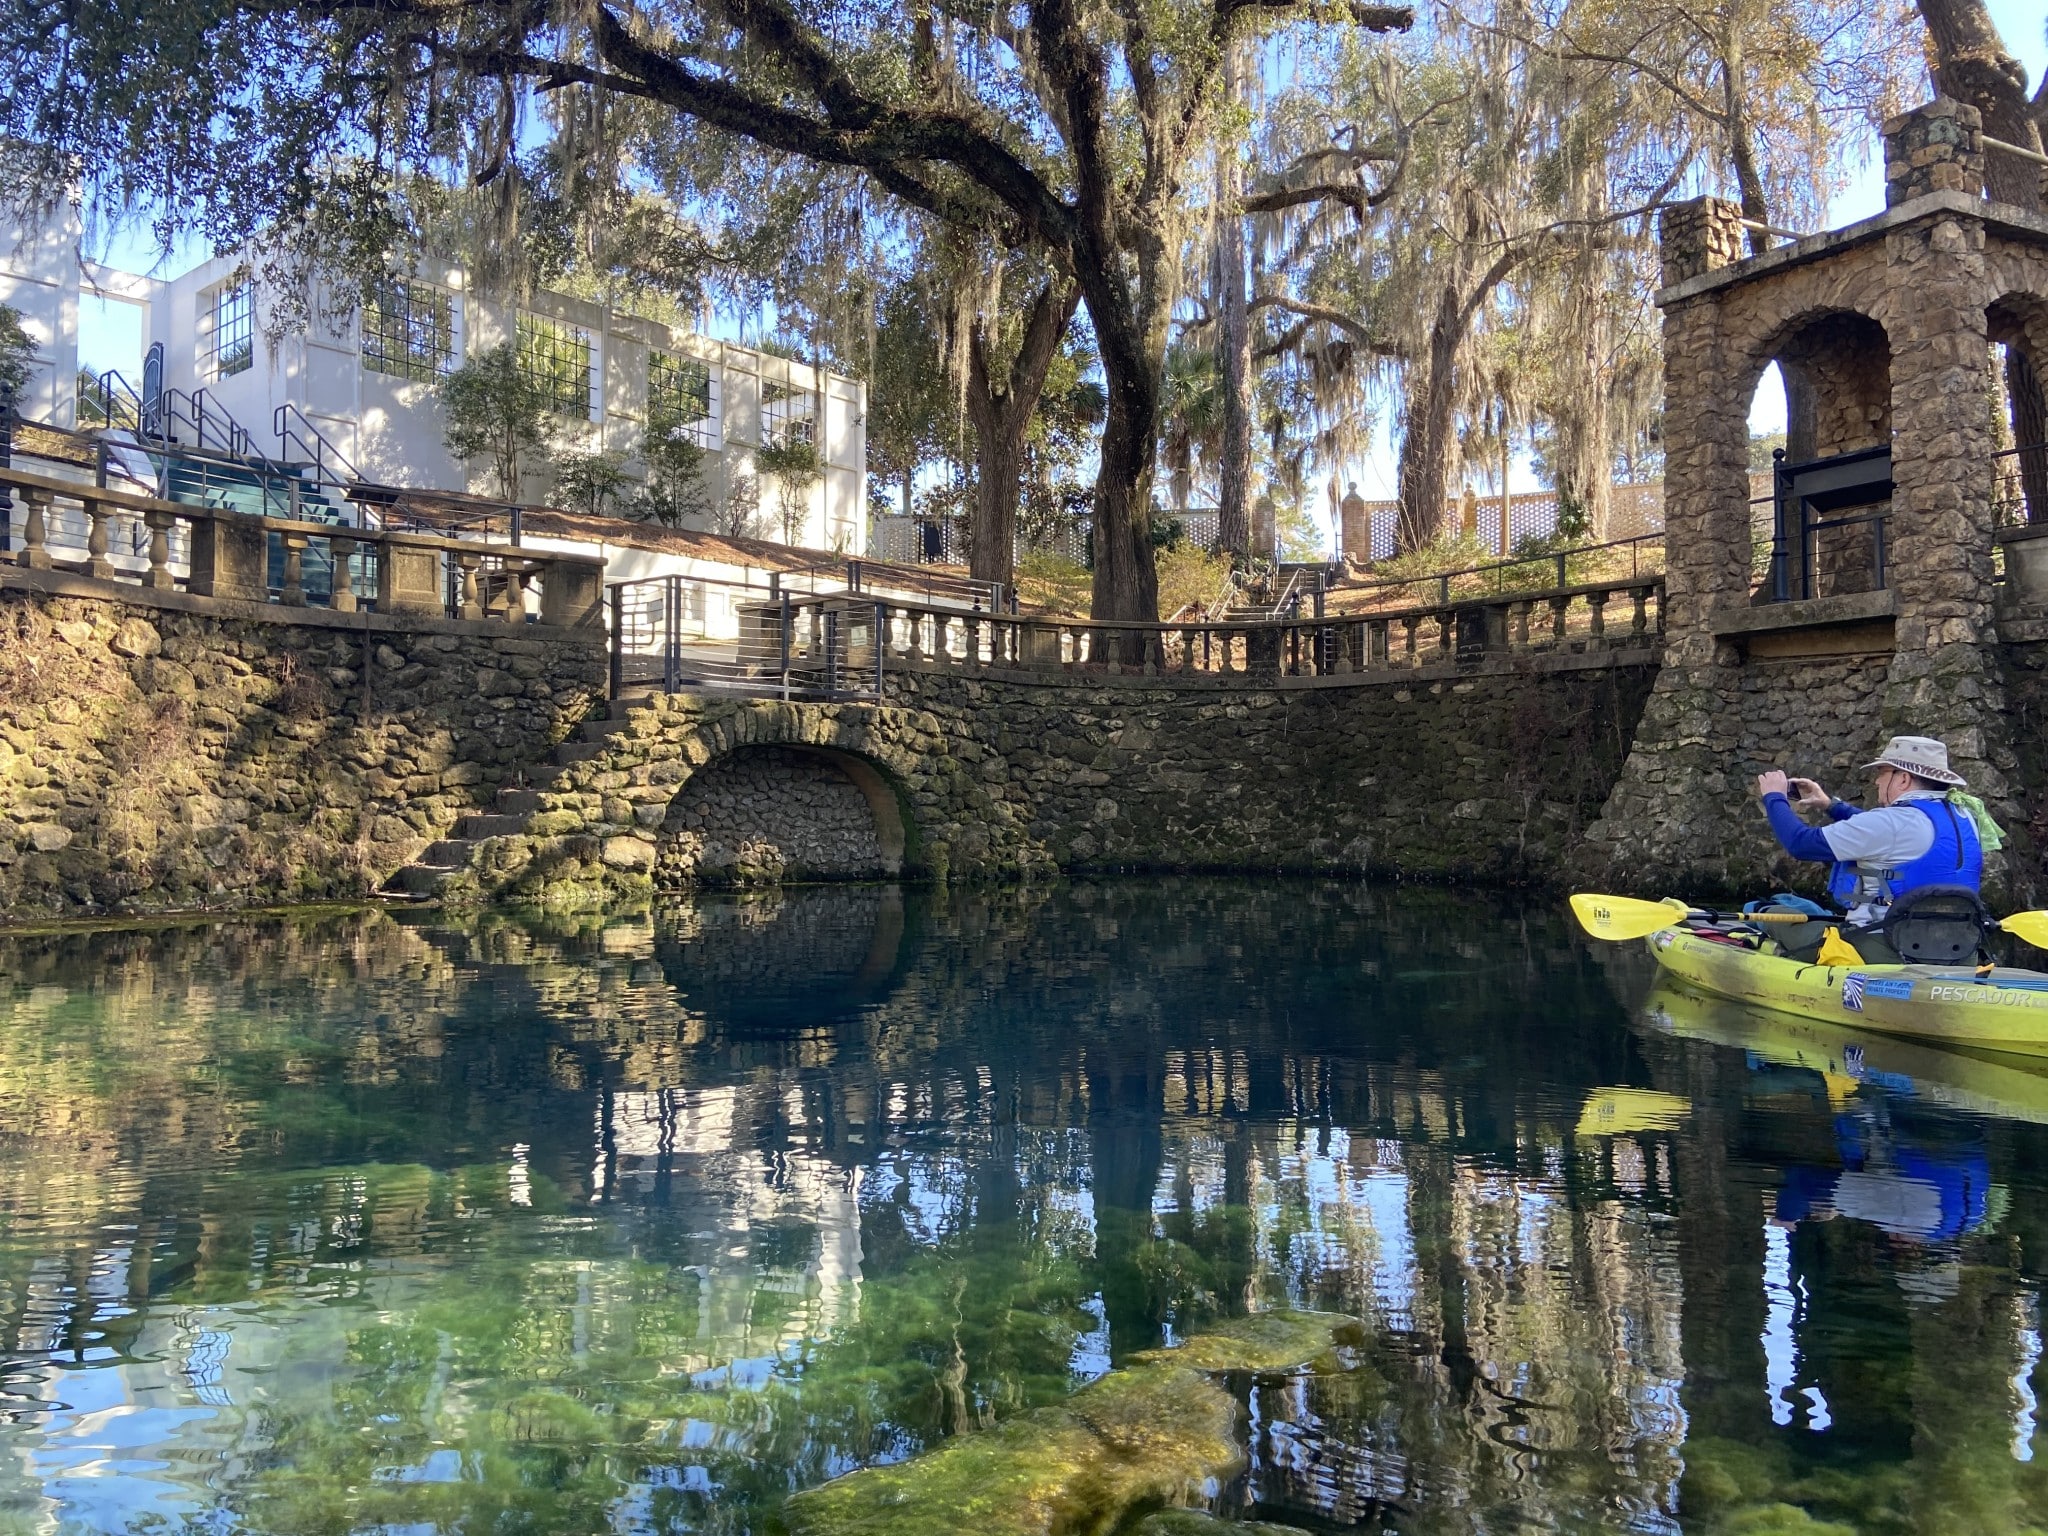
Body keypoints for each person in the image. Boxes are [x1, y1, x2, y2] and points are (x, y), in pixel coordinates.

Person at [1754, 734, 2000, 963]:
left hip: (1888, 947)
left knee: (1770, 913)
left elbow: (1801, 843)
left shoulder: (1892, 822)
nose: (1876, 781)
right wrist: (1830, 805)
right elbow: (1888, 835)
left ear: (1903, 778)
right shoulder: (1966, 817)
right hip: (1960, 950)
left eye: (1882, 772)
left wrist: (1774, 797)